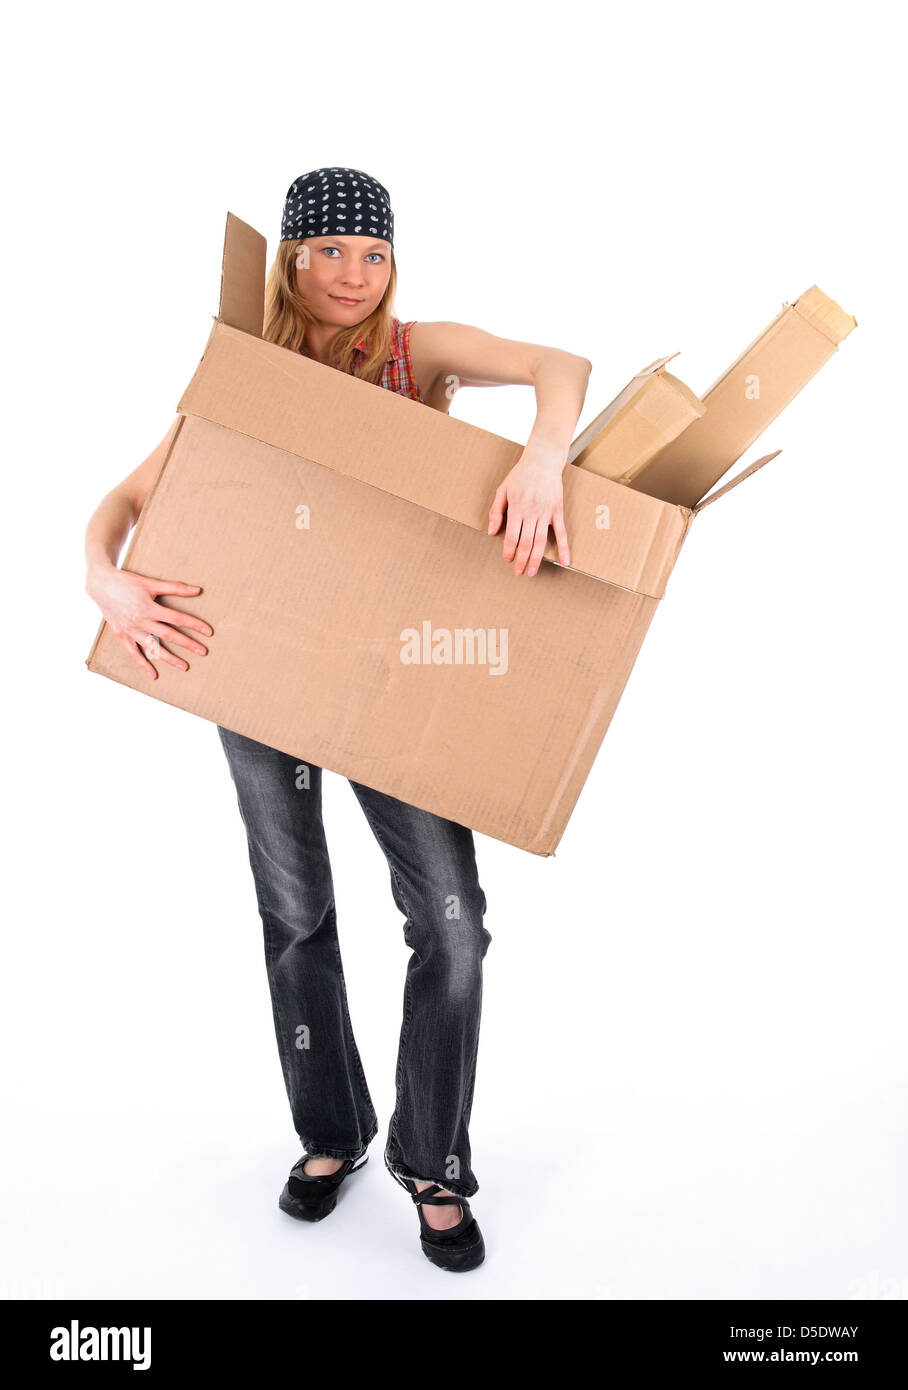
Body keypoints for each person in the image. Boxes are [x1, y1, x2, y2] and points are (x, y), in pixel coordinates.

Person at [84, 166, 592, 1273]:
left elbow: (560, 365)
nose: (352, 274)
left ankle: (429, 1161)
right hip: (266, 678)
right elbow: (125, 501)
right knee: (297, 915)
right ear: (291, 261)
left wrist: (544, 450)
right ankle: (331, 1134)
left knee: (451, 925)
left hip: (396, 679)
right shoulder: (249, 372)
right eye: (328, 252)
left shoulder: (421, 352)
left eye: (372, 252)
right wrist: (103, 579)